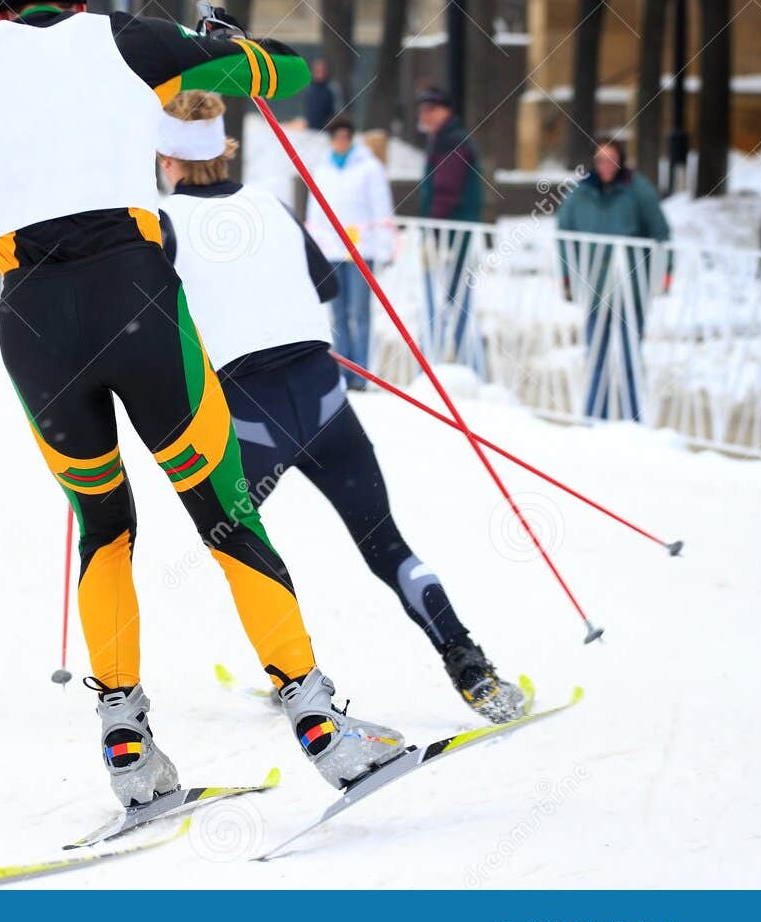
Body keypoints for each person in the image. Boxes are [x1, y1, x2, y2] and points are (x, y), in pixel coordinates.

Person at [0, 0, 405, 805]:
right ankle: (323, 728)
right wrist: (224, 42)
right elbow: (290, 75)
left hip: (33, 323)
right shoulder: (124, 37)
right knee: (226, 516)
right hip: (137, 303)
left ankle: (127, 749)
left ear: (2, 5)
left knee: (103, 527)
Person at [156, 91, 526, 721]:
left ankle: (298, 677)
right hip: (326, 402)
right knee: (387, 546)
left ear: (169, 159)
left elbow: (157, 325)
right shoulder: (268, 204)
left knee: (238, 545)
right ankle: (473, 668)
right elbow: (324, 284)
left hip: (252, 421)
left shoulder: (162, 223)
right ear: (224, 149)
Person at [555, 138, 670, 422]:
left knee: (631, 356)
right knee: (596, 355)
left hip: (632, 288)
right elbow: (564, 236)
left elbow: (660, 233)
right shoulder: (580, 194)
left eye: (612, 159)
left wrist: (664, 272)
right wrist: (568, 276)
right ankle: (595, 415)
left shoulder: (639, 191)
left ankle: (632, 417)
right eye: (601, 160)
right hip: (595, 288)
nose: (606, 166)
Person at [307, 113, 394, 389]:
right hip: (332, 249)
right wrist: (315, 247)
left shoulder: (369, 168)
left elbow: (381, 206)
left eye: (345, 135)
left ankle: (363, 372)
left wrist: (383, 246)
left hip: (361, 248)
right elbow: (315, 211)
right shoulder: (322, 169)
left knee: (360, 311)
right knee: (339, 312)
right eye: (336, 136)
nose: (341, 141)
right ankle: (344, 368)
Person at [415, 87, 484, 372]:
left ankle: (461, 366)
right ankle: (458, 363)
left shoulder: (452, 142)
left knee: (453, 301)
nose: (424, 116)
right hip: (450, 236)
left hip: (452, 237)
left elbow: (446, 191)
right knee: (452, 300)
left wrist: (433, 231)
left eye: (429, 110)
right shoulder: (443, 140)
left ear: (444, 111)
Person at [302, 57, 337, 131]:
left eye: (323, 71)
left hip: (328, 132)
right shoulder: (308, 89)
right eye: (317, 71)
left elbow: (338, 111)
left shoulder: (332, 89)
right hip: (310, 131)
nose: (320, 74)